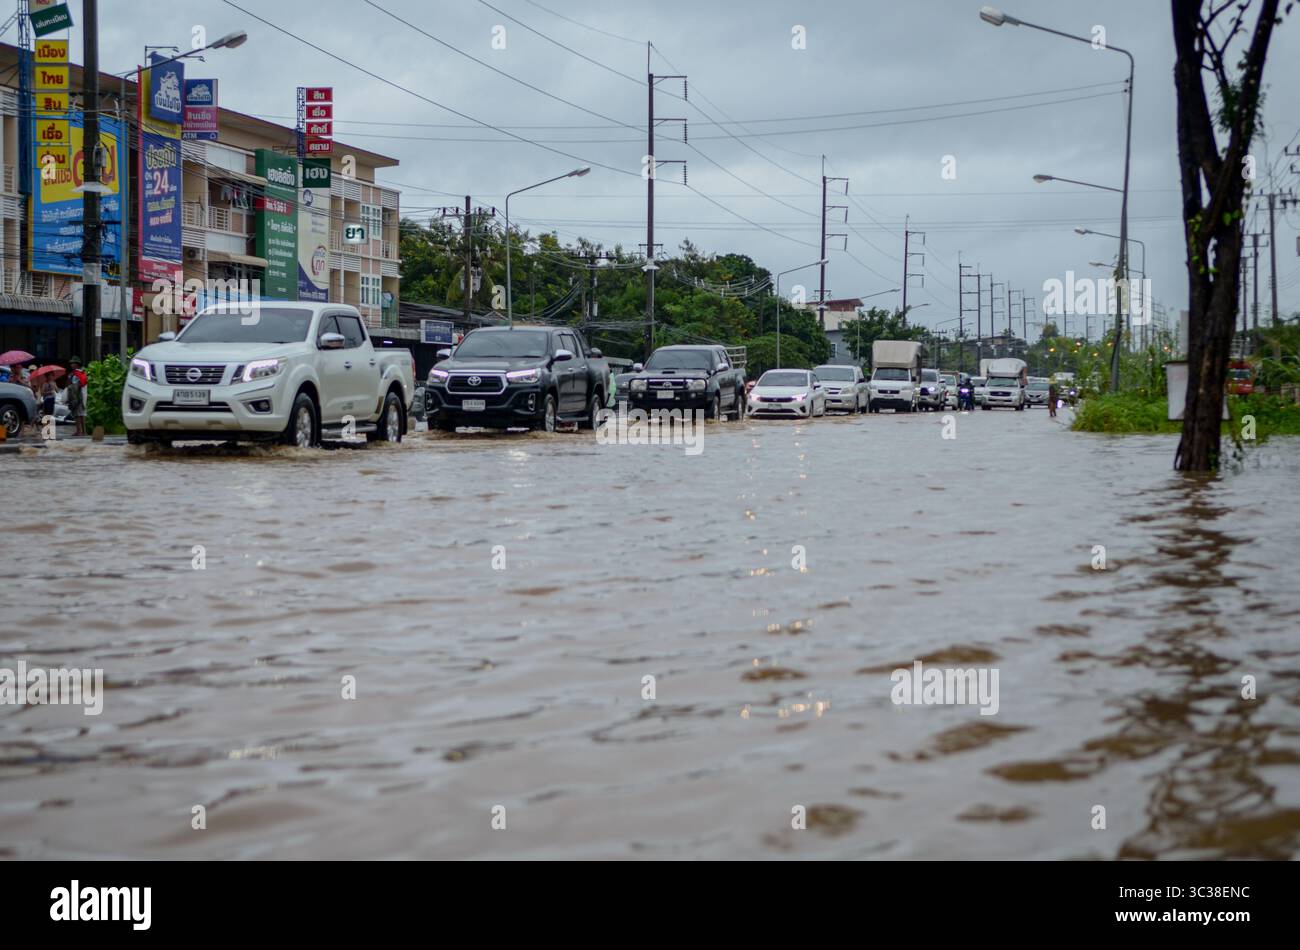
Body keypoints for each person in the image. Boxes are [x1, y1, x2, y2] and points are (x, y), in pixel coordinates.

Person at [66, 359, 86, 436]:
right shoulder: (77, 373)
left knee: (78, 414)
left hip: (77, 395)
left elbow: (78, 384)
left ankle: (80, 431)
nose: (71, 365)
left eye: (73, 363)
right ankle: (82, 431)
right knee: (80, 414)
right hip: (78, 395)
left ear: (77, 364)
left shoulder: (77, 373)